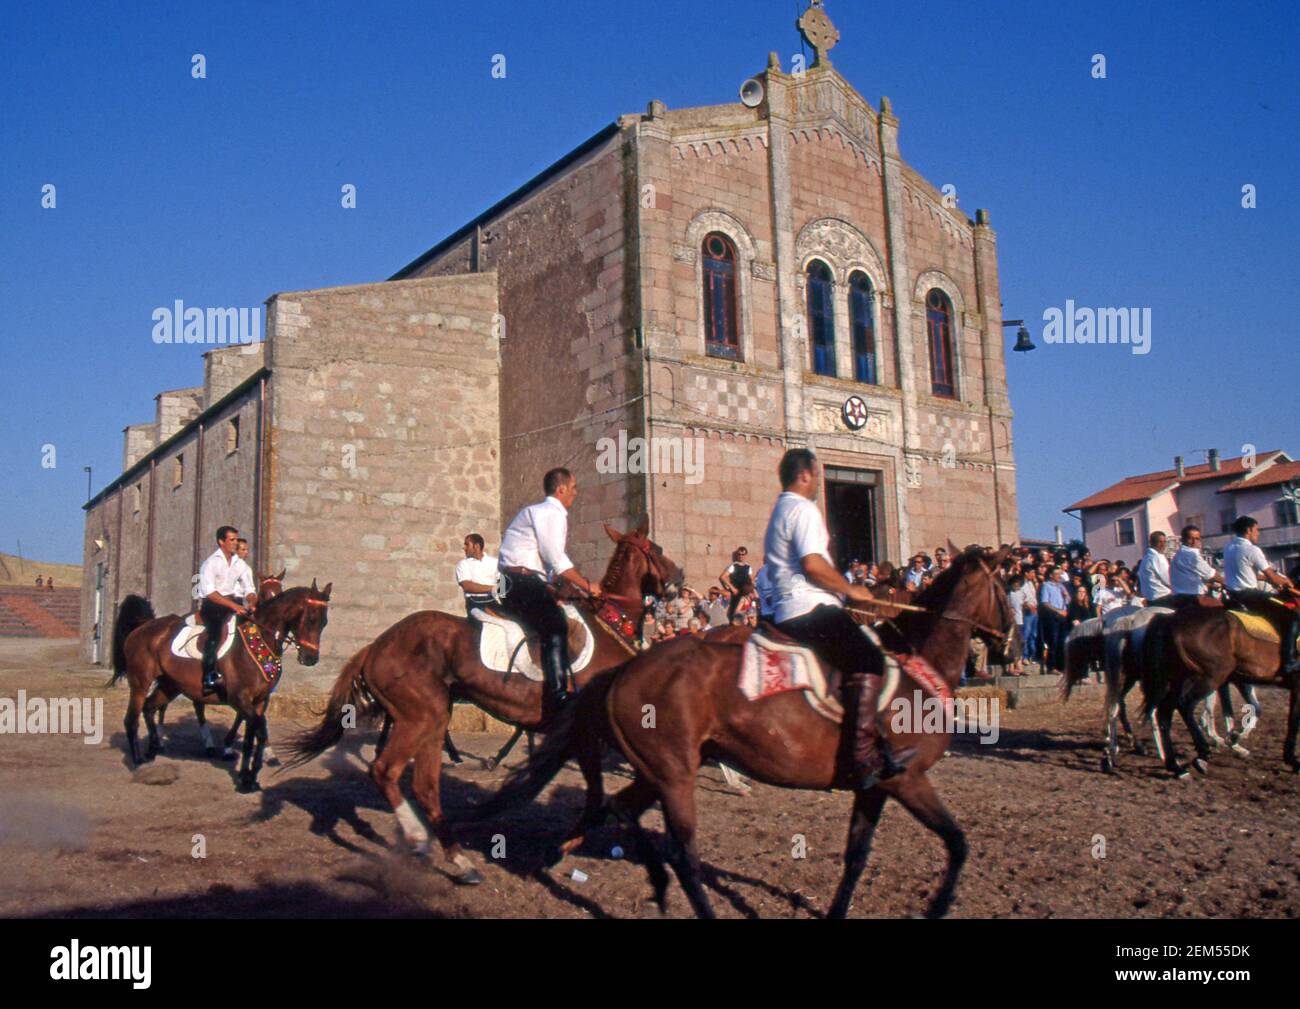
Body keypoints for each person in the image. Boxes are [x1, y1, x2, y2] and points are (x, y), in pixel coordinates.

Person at [763, 447, 911, 790]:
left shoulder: (780, 509)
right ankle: (861, 758)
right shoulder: (804, 509)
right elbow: (813, 565)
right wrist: (852, 590)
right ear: (805, 475)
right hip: (808, 608)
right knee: (871, 660)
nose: (818, 482)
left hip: (787, 607)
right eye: (816, 475)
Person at [497, 468, 603, 719]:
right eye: (573, 488)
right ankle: (558, 698)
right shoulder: (551, 513)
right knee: (556, 626)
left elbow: (547, 566)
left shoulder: (536, 512)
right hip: (519, 581)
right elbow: (556, 559)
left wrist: (558, 587)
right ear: (561, 489)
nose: (575, 494)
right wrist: (588, 586)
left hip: (513, 581)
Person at [1223, 516, 1299, 676]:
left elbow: (1253, 574)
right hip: (1249, 595)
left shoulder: (1228, 547)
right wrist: (1286, 582)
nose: (1258, 533)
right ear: (1249, 530)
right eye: (1256, 530)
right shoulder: (1252, 550)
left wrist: (1276, 580)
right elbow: (1272, 576)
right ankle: (1289, 661)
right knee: (1292, 616)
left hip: (1232, 595)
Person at [197, 525, 257, 693]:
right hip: (213, 606)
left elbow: (250, 589)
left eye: (236, 539)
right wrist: (235, 606)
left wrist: (252, 602)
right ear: (221, 542)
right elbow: (210, 593)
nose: (235, 543)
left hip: (235, 604)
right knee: (215, 633)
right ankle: (208, 677)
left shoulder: (241, 565)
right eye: (232, 540)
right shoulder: (210, 563)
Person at [1169, 525, 1221, 599]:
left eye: (1197, 539)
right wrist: (1227, 582)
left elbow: (1189, 580)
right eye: (1190, 538)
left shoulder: (1179, 554)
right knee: (1220, 607)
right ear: (1183, 540)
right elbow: (1212, 575)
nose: (1194, 542)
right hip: (1191, 598)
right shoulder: (1191, 555)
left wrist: (1209, 585)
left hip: (1179, 596)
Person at [455, 533, 499, 618]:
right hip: (475, 603)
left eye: (467, 544)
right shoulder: (463, 564)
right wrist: (493, 588)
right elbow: (467, 586)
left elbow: (503, 583)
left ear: (476, 546)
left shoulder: (494, 562)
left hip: (493, 602)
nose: (464, 548)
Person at [1038, 566, 1071, 672]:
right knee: (1053, 641)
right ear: (1051, 575)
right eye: (1057, 574)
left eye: (1060, 574)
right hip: (1052, 616)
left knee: (1063, 642)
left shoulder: (1061, 586)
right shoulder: (1046, 586)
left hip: (1063, 616)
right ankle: (1051, 666)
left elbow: (1068, 600)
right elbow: (1045, 602)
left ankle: (1061, 666)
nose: (1059, 576)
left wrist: (1066, 595)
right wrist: (1058, 611)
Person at [720, 547, 756, 622]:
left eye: (743, 554)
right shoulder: (733, 566)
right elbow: (722, 577)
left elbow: (751, 580)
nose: (741, 556)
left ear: (746, 555)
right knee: (734, 614)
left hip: (745, 594)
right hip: (736, 594)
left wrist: (753, 591)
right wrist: (731, 588)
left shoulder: (748, 567)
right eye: (739, 554)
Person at [1137, 531, 1172, 603]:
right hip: (1162, 597)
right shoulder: (1157, 557)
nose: (1163, 545)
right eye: (1160, 542)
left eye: (1164, 542)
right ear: (1151, 543)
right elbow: (1169, 579)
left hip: (1150, 598)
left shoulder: (1146, 558)